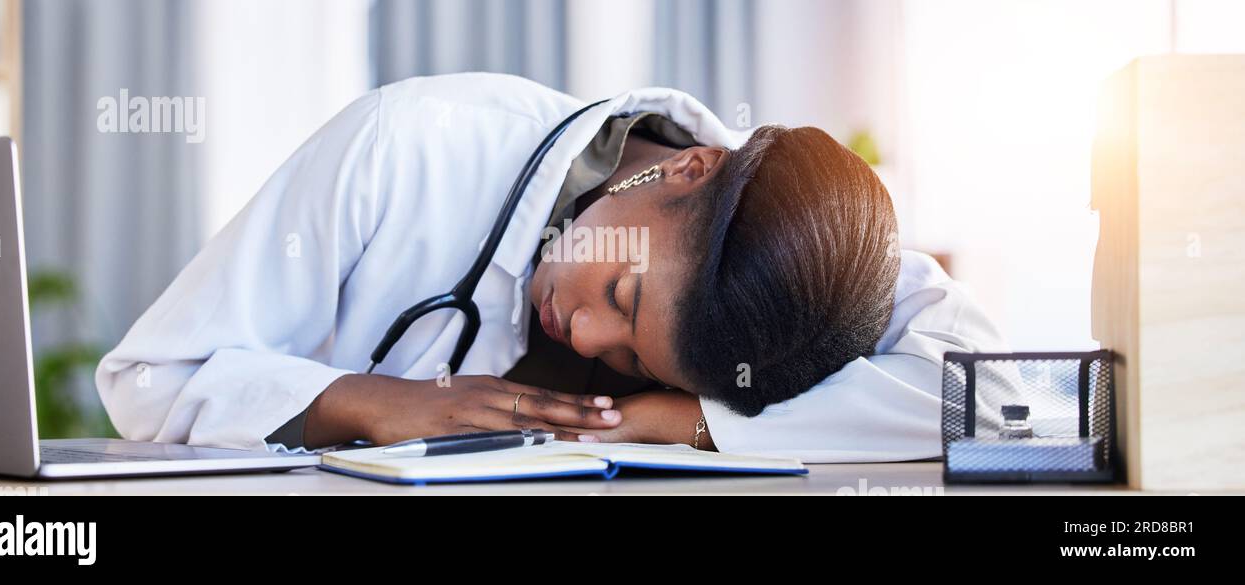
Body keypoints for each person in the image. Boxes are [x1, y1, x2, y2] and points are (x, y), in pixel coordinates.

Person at [96, 73, 1005, 461]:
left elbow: (999, 401)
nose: (590, 333)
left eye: (633, 360)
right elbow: (149, 381)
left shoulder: (793, 283)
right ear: (687, 167)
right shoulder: (409, 148)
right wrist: (367, 401)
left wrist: (690, 420)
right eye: (620, 290)